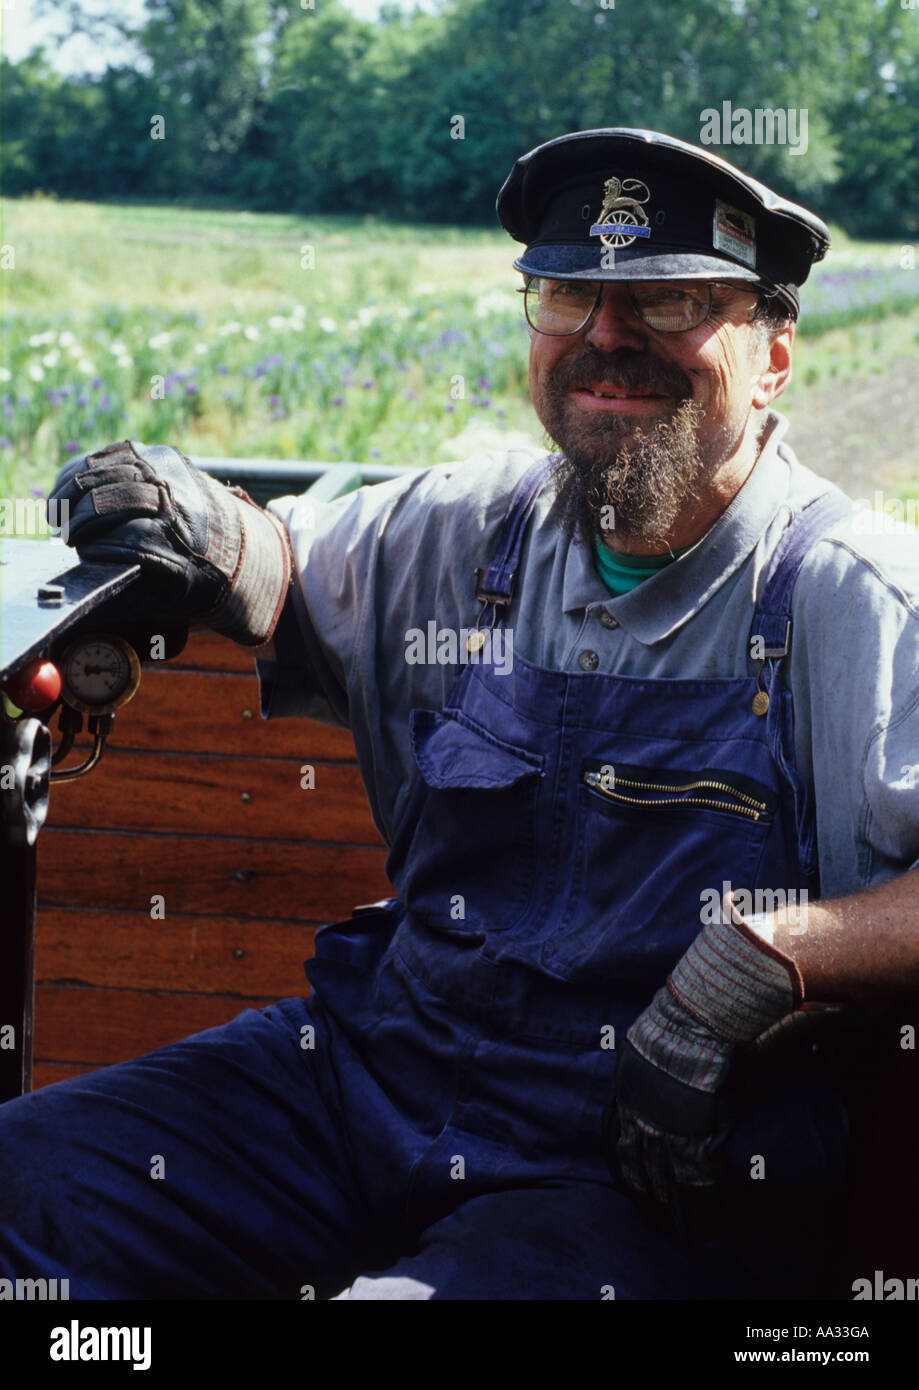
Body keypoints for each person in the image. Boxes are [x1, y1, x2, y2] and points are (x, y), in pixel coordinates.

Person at [4, 126, 918, 1301]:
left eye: (668, 300)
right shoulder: (475, 531)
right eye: (565, 296)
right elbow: (277, 566)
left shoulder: (848, 592)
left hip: (628, 1169)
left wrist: (772, 957)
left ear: (774, 354)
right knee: (22, 1188)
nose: (605, 336)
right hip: (370, 1077)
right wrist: (197, 523)